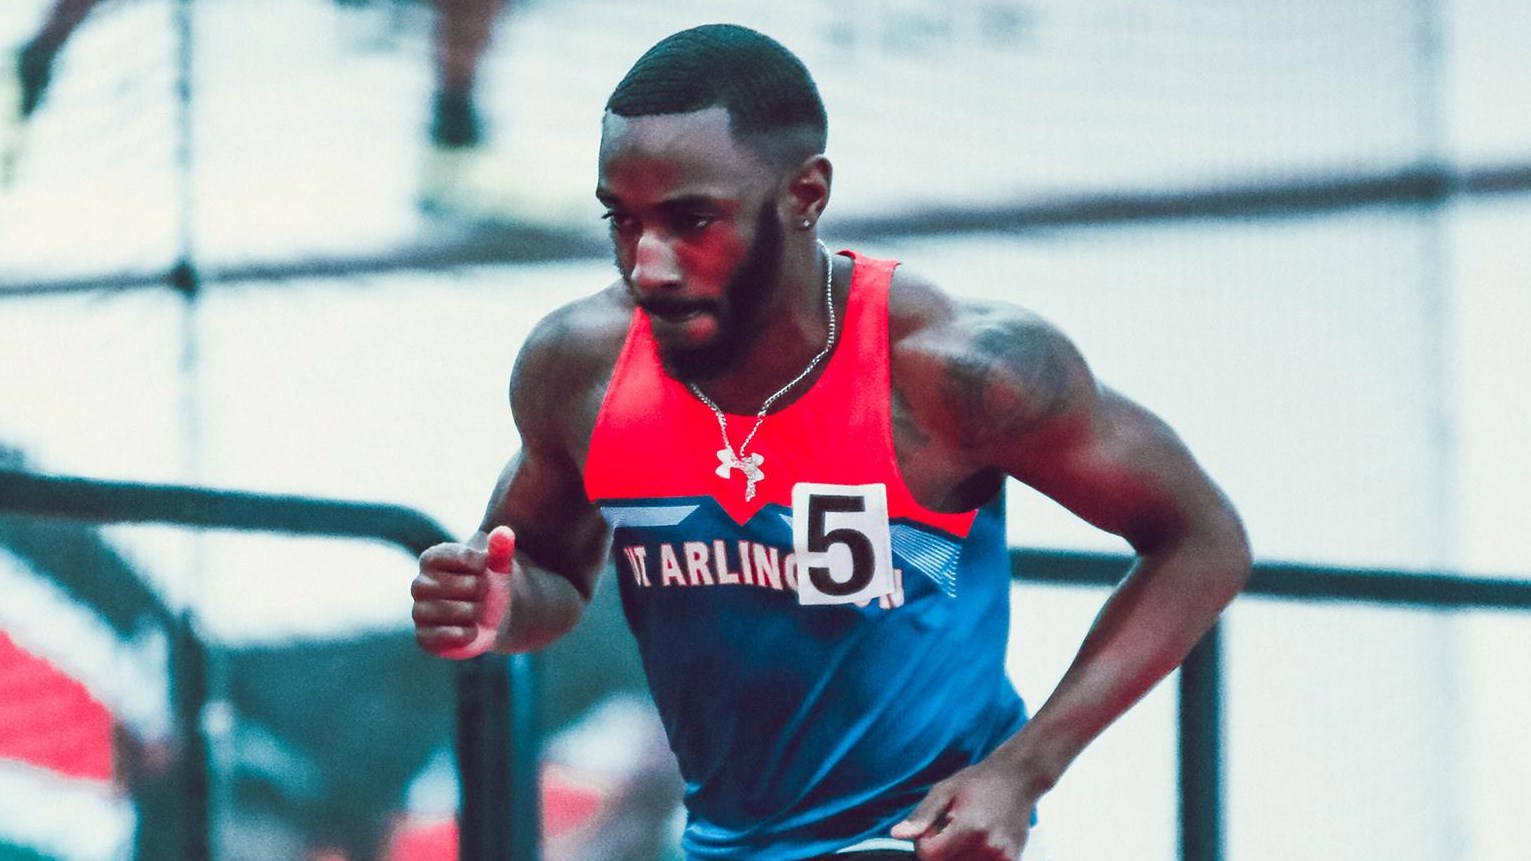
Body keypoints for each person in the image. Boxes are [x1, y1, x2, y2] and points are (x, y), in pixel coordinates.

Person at [410, 23, 1251, 861]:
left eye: (691, 220)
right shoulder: (580, 365)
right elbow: (547, 573)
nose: (649, 264)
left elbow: (1201, 539)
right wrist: (495, 604)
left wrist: (1023, 768)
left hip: (906, 840)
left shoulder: (953, 369)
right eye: (622, 222)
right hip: (716, 841)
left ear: (805, 195)